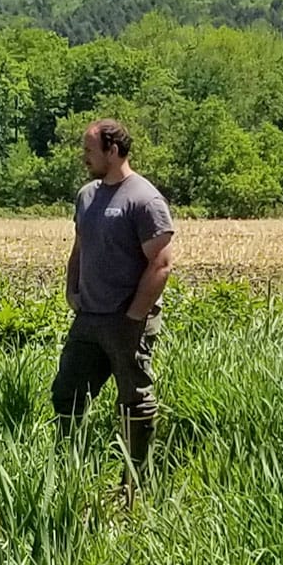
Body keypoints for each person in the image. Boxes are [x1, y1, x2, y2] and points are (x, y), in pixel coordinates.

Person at [51, 119, 175, 472]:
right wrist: (71, 290)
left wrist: (135, 315)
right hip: (88, 318)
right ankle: (69, 471)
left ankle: (134, 480)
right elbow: (79, 248)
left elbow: (161, 265)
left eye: (89, 150)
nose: (83, 157)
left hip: (126, 321)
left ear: (113, 150)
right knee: (66, 394)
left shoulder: (144, 199)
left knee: (133, 401)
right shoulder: (87, 195)